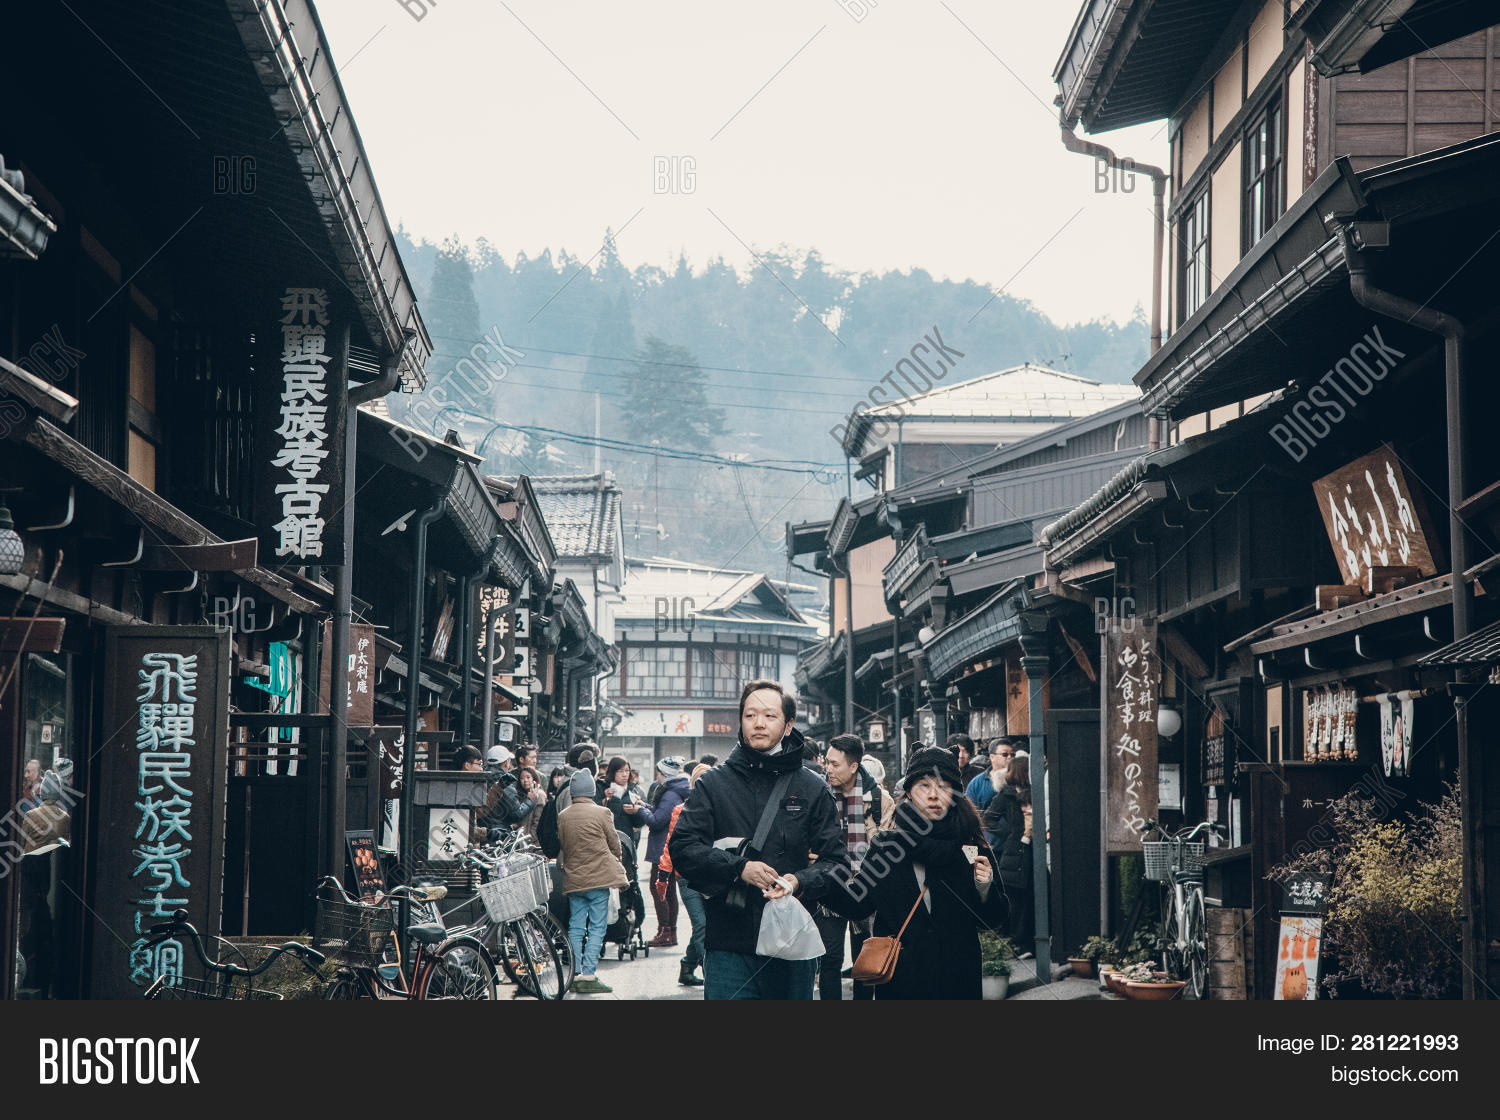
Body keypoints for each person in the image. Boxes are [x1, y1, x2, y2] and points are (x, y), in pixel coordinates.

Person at [669, 679, 850, 1000]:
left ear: (789, 723)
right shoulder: (714, 784)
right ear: (740, 721)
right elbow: (683, 848)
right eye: (750, 715)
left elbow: (836, 863)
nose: (759, 724)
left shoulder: (812, 787)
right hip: (728, 940)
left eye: (769, 716)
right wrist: (739, 868)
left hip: (791, 939)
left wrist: (799, 880)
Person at [836, 746, 1007, 1000]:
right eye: (924, 786)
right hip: (904, 978)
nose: (934, 795)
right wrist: (814, 881)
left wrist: (985, 889)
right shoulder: (886, 846)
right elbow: (858, 905)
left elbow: (992, 920)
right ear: (908, 792)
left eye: (944, 787)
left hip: (957, 977)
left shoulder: (971, 846)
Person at [815, 734, 882, 1000]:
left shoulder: (878, 798)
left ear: (853, 766)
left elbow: (889, 845)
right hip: (828, 888)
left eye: (835, 764)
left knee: (864, 962)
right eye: (827, 763)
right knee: (829, 958)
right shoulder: (819, 795)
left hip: (865, 888)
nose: (828, 769)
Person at [557, 769, 626, 994]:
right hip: (599, 878)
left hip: (574, 879)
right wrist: (618, 857)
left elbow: (564, 845)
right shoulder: (602, 812)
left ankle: (574, 972)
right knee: (597, 926)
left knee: (576, 927)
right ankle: (589, 974)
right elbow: (614, 842)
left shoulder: (564, 815)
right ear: (592, 791)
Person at [656, 762, 711, 986]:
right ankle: (712, 971)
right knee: (703, 926)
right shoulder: (680, 810)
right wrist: (663, 875)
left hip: (711, 875)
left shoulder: (719, 809)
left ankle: (688, 966)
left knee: (706, 926)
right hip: (686, 877)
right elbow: (671, 844)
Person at [635, 756, 691, 947]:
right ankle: (668, 931)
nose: (657, 776)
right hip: (669, 848)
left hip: (663, 849)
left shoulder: (670, 794)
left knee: (658, 888)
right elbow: (661, 814)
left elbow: (657, 821)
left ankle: (666, 931)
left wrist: (639, 811)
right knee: (668, 890)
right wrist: (644, 806)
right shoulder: (676, 791)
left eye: (659, 773)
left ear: (664, 774)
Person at [987, 754, 1034, 949]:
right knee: (1017, 899)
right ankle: (1018, 942)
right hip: (1016, 852)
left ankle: (1026, 942)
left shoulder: (1035, 793)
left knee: (1028, 898)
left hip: (1029, 850)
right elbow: (988, 818)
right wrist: (1010, 833)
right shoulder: (1006, 795)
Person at [965, 737, 1017, 817]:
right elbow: (969, 812)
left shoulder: (1019, 779)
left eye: (1012, 754)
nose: (1010, 757)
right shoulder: (977, 783)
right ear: (992, 757)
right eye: (1005, 754)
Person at [515, 766, 546, 845]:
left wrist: (531, 837)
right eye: (522, 778)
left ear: (534, 778)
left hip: (533, 842)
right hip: (522, 840)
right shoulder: (521, 795)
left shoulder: (539, 794)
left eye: (528, 777)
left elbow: (538, 820)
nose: (525, 780)